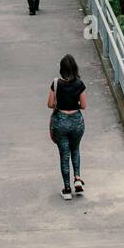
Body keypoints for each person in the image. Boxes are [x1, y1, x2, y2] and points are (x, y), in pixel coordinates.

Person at [47, 54, 86, 200]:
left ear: (61, 69)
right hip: (76, 121)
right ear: (75, 68)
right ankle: (77, 177)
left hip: (60, 122)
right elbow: (83, 105)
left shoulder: (56, 83)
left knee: (64, 154)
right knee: (75, 149)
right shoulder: (79, 84)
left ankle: (67, 188)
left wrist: (60, 104)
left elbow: (50, 104)